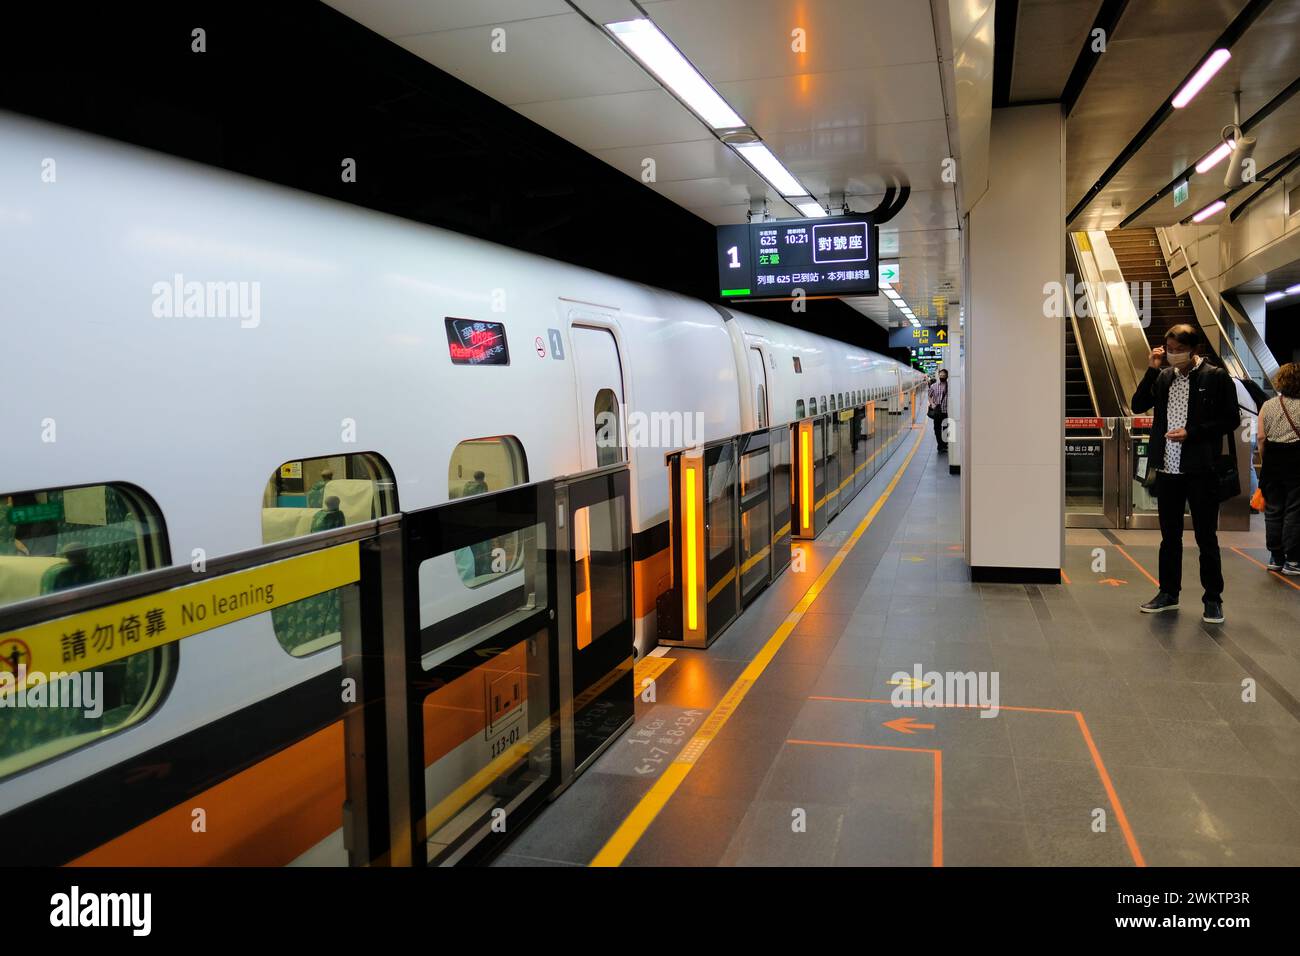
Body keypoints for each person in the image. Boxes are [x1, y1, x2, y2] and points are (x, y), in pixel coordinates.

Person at [1131, 324, 1240, 623]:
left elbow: (1231, 419)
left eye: (1178, 350)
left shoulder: (1216, 377)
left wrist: (1192, 433)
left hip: (1201, 468)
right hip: (1167, 467)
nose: (1172, 355)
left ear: (1195, 350)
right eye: (1169, 349)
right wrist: (1152, 369)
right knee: (1170, 537)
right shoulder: (1164, 376)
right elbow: (1138, 405)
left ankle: (1213, 599)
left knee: (1206, 536)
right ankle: (1168, 593)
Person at [1258, 362, 1300, 574]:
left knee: (1273, 510)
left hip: (1272, 460)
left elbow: (1261, 437)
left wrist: (1267, 461)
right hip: (1296, 462)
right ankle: (1292, 560)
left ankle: (1275, 557)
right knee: (1294, 510)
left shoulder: (1268, 405)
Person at [927, 368, 949, 453]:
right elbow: (929, 395)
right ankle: (940, 445)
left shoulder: (949, 386)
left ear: (947, 376)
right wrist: (932, 403)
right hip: (937, 411)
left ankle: (944, 444)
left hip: (946, 411)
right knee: (937, 429)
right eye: (941, 375)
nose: (942, 376)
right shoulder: (934, 386)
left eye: (944, 375)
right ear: (938, 375)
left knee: (946, 429)